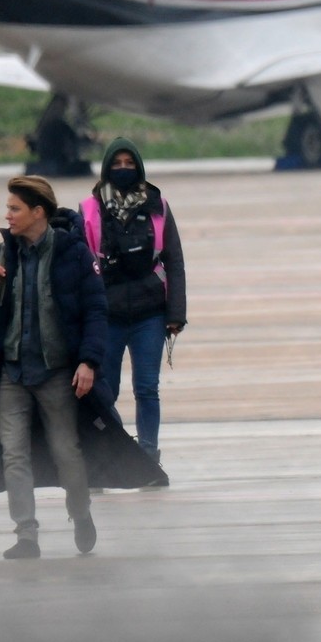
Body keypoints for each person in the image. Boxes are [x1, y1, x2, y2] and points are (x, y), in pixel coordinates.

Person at [0, 176, 104, 559]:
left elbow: (95, 310)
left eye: (15, 208)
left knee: (66, 451)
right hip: (10, 372)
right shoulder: (2, 253)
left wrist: (89, 361)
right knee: (13, 453)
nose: (7, 215)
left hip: (56, 372)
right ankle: (26, 534)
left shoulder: (74, 254)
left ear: (37, 212)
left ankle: (80, 513)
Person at [80, 138, 187, 469]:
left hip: (150, 315)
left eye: (129, 163)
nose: (123, 169)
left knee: (146, 388)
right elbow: (80, 266)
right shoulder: (89, 209)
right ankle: (109, 451)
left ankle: (148, 454)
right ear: (106, 168)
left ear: (139, 167)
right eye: (117, 163)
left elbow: (174, 262)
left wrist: (176, 314)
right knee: (104, 392)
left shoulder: (159, 206)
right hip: (106, 315)